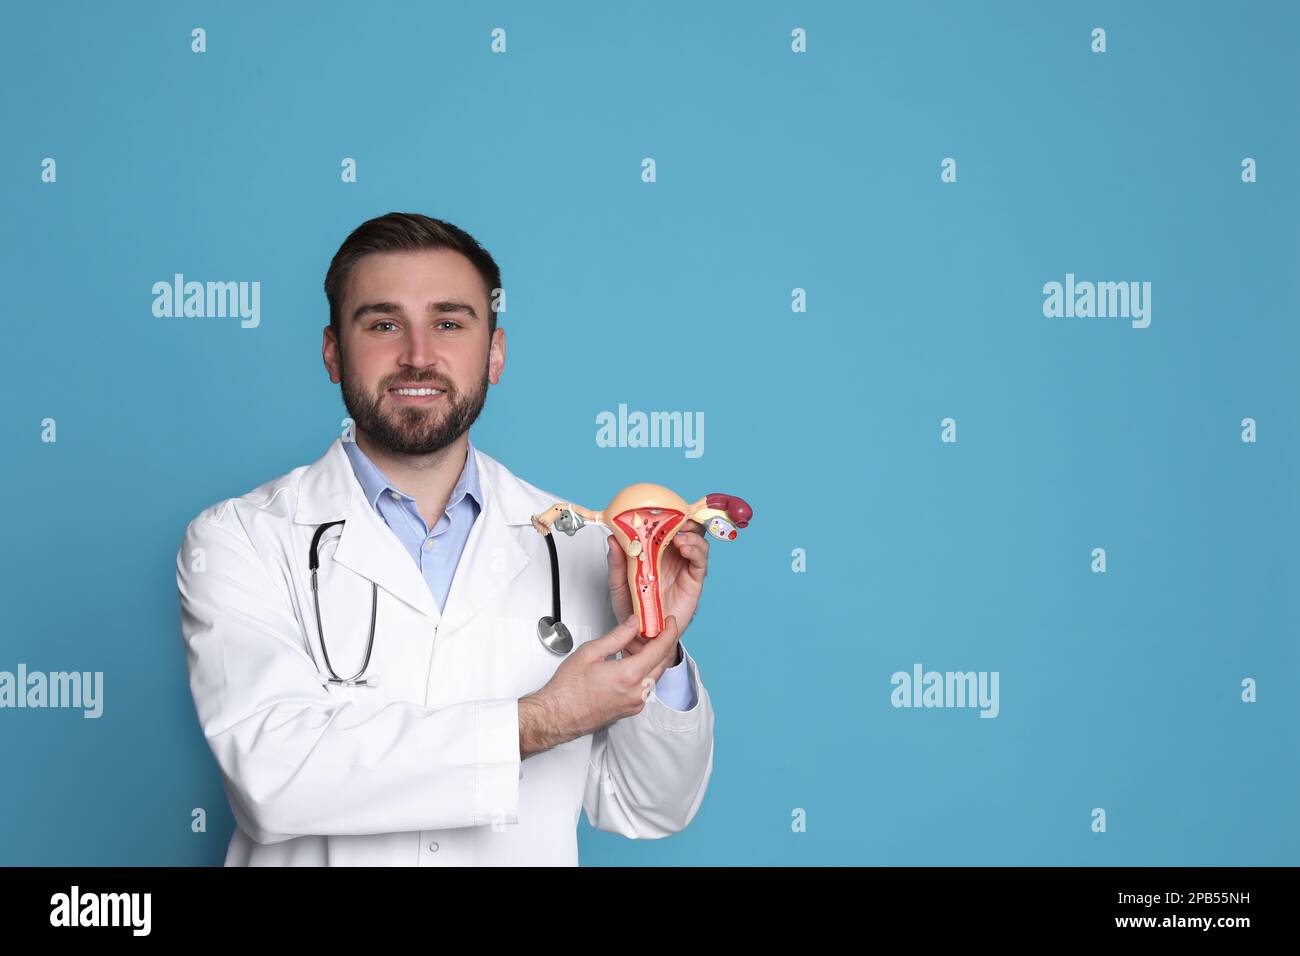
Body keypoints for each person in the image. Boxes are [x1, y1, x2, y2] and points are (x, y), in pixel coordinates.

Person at [175, 212, 715, 866]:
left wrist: (657, 640)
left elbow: (647, 806)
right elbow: (271, 778)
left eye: (450, 324)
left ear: (495, 354)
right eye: (382, 324)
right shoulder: (239, 539)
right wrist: (537, 721)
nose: (419, 356)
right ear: (331, 352)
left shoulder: (581, 547)